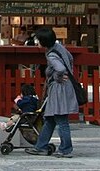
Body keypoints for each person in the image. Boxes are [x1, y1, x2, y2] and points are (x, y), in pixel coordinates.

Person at [27, 26, 77, 158]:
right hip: (65, 86)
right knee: (49, 119)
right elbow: (70, 58)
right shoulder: (59, 47)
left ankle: (66, 149)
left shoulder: (51, 54)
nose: (37, 42)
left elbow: (59, 69)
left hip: (58, 88)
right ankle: (40, 146)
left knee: (61, 120)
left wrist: (57, 76)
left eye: (38, 40)